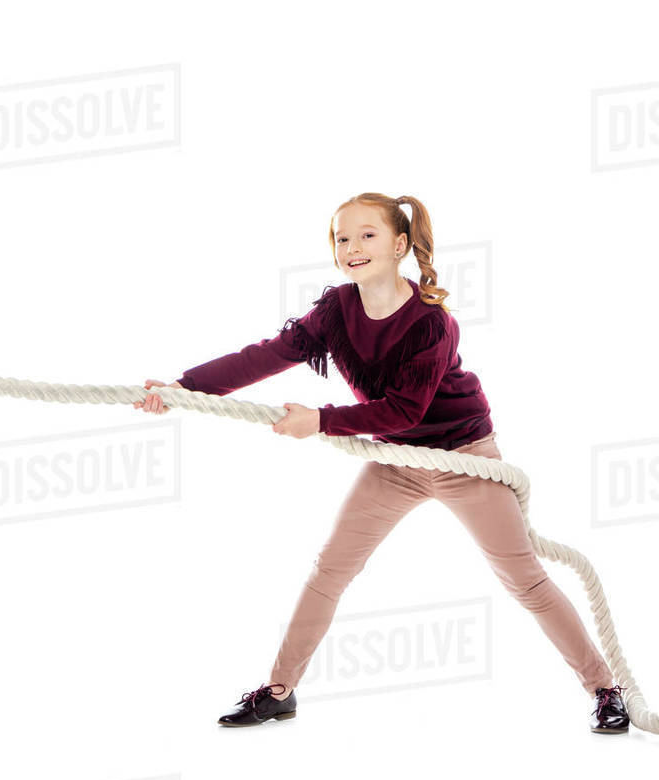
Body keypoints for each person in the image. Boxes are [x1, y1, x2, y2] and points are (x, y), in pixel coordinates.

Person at [133, 192, 629, 735]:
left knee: (524, 579)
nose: (352, 247)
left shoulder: (432, 323)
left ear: (399, 245)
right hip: (395, 462)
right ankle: (279, 690)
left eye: (366, 235)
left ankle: (606, 689)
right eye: (342, 238)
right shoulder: (335, 310)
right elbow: (267, 354)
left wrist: (318, 421)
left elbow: (403, 410)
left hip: (464, 458)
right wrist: (184, 387)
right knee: (331, 569)